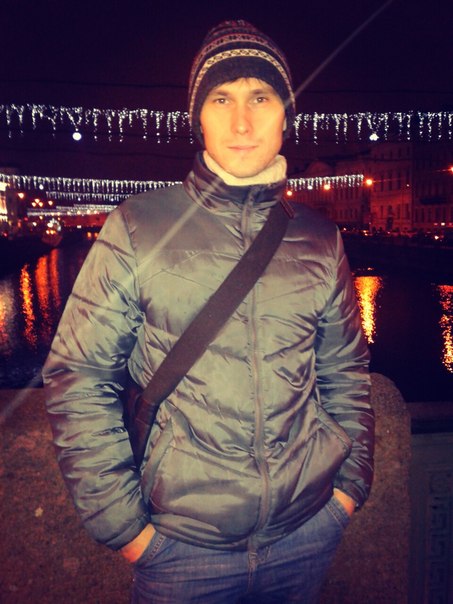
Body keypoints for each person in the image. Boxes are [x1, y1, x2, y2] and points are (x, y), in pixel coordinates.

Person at [43, 20, 374, 603]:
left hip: (307, 532)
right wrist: (126, 529)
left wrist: (347, 490)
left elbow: (345, 372)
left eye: (260, 98)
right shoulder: (138, 227)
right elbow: (79, 377)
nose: (242, 122)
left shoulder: (320, 239)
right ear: (198, 117)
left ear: (286, 115)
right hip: (180, 552)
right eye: (221, 99)